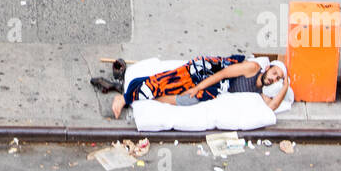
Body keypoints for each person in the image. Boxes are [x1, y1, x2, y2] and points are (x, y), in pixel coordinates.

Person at [111, 55, 290, 118]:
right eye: (274, 73)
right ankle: (125, 97)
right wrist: (197, 87)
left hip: (216, 87)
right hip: (209, 70)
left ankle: (139, 96)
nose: (273, 79)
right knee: (175, 81)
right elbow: (223, 73)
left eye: (277, 79)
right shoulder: (253, 68)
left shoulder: (262, 92)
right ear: (268, 68)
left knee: (185, 100)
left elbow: (271, 108)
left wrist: (285, 85)